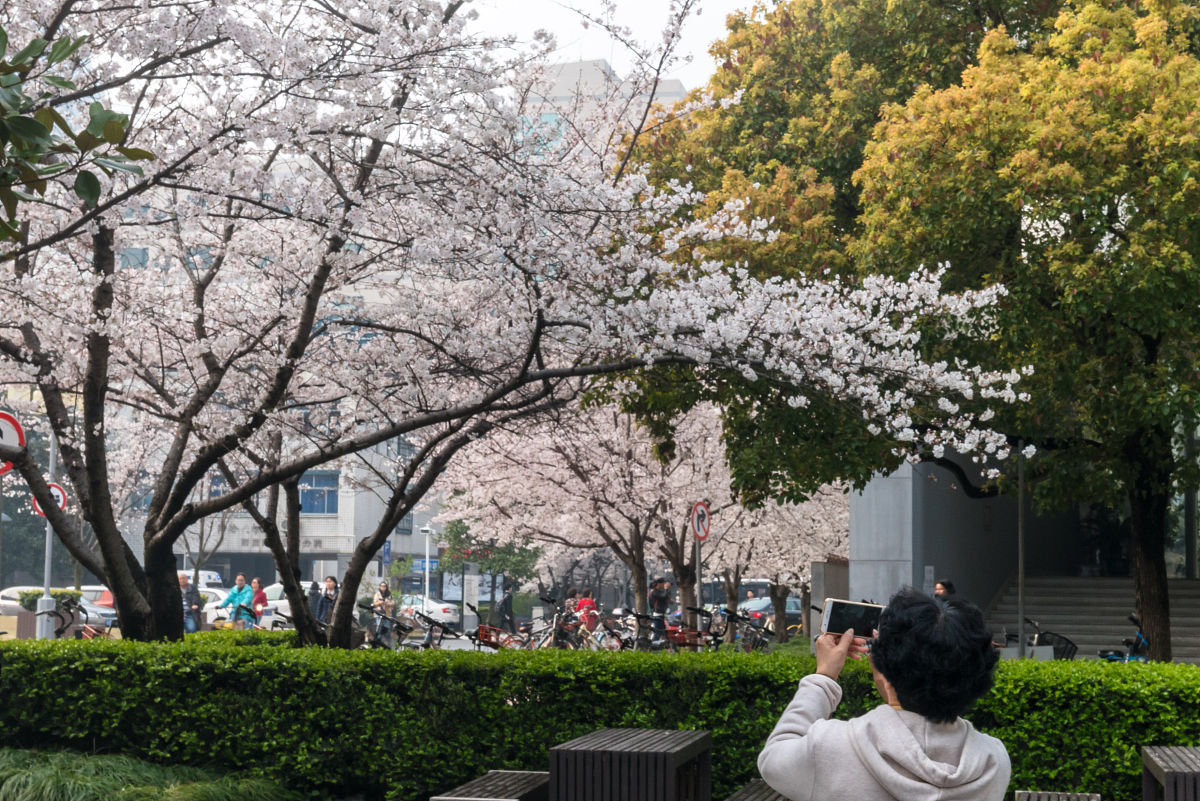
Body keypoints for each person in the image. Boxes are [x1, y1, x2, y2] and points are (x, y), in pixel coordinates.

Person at [757, 588, 1010, 801]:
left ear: (883, 669)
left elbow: (773, 759)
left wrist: (823, 678)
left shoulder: (831, 747)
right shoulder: (993, 761)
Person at [371, 580, 395, 646]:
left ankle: (391, 646)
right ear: (379, 587)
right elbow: (374, 603)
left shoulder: (389, 594)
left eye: (384, 586)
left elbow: (393, 603)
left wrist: (388, 604)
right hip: (379, 614)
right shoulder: (377, 594)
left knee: (387, 631)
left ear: (386, 587)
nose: (383, 587)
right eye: (381, 586)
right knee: (379, 630)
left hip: (387, 614)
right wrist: (380, 602)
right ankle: (377, 645)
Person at [648, 577, 671, 641]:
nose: (664, 584)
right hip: (657, 615)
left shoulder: (658, 591)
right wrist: (666, 589)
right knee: (657, 633)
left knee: (664, 633)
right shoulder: (654, 592)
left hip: (660, 615)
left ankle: (668, 647)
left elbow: (664, 598)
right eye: (663, 583)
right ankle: (652, 647)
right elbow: (663, 597)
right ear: (659, 584)